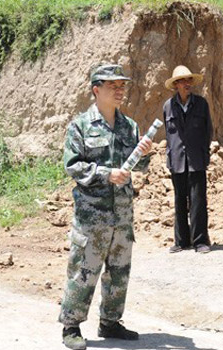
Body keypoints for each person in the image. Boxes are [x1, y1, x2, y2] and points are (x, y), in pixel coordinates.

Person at [58, 63, 153, 350]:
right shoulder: (80, 126)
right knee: (84, 269)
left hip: (122, 212)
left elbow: (140, 165)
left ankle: (110, 321)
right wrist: (105, 174)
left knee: (119, 270)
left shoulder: (130, 126)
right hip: (92, 214)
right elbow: (73, 166)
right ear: (96, 89)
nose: (120, 90)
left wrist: (144, 154)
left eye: (122, 85)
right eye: (114, 86)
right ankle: (71, 326)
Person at [162, 65, 213, 254]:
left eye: (189, 80)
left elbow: (208, 131)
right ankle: (181, 241)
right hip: (177, 160)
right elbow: (169, 135)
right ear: (176, 85)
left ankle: (200, 241)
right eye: (183, 81)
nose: (187, 84)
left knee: (198, 201)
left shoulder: (201, 104)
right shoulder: (168, 106)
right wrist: (169, 156)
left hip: (196, 159)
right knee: (179, 201)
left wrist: (204, 153)